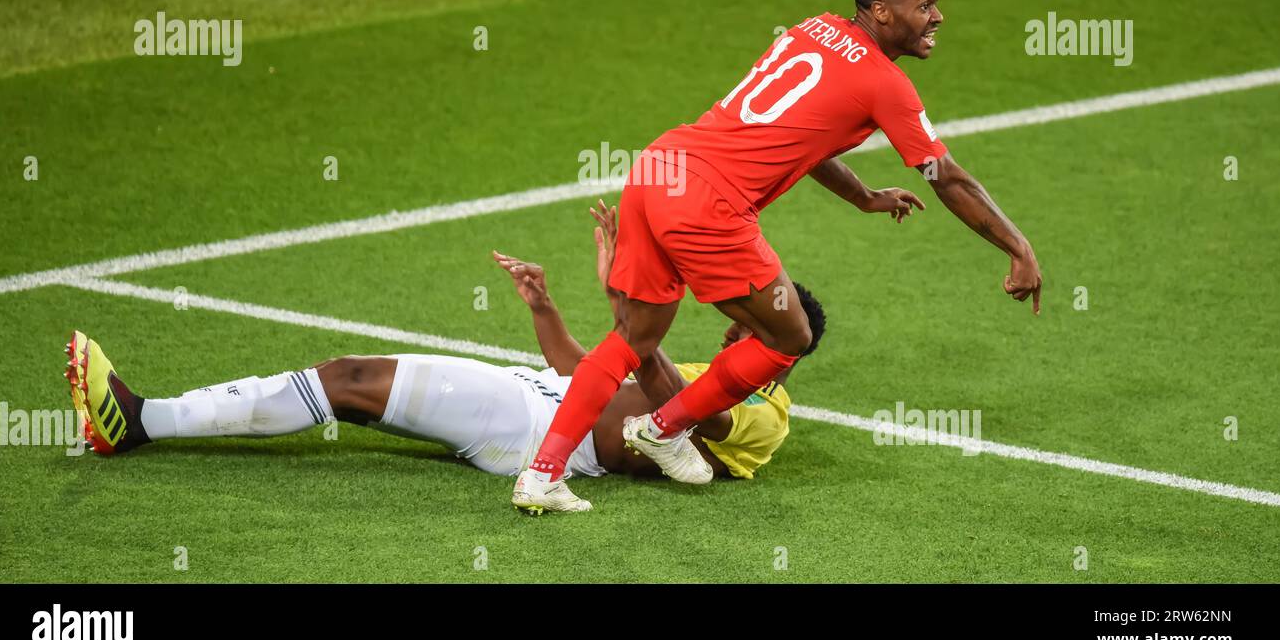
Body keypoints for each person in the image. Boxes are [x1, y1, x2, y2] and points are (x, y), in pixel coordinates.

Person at [512, 0, 1042, 513]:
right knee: (790, 337)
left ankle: (543, 475)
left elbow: (803, 134)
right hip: (707, 200)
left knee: (633, 337)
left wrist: (863, 196)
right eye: (926, 5)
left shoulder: (815, 28)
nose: (938, 17)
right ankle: (664, 427)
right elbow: (947, 178)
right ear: (882, 12)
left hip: (660, 165)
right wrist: (1018, 247)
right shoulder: (888, 83)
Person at [61, 207, 825, 509]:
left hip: (528, 430)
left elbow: (667, 420)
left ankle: (138, 421)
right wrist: (547, 311)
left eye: (751, 324)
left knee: (347, 378)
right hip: (537, 395)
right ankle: (141, 421)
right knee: (348, 377)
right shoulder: (713, 367)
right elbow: (588, 372)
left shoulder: (764, 418)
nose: (734, 328)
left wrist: (636, 309)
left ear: (788, 347)